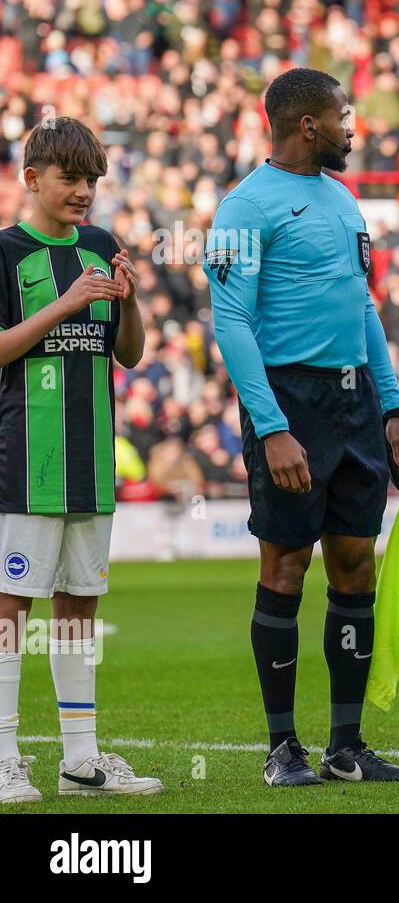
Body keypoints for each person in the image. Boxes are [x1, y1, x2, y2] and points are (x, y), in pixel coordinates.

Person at [206, 68, 399, 787]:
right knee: (287, 566)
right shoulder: (245, 206)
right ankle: (280, 748)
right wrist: (270, 426)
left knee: (357, 564)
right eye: (344, 116)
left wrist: (392, 409)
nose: (353, 128)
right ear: (308, 125)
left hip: (355, 402)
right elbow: (230, 319)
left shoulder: (346, 200)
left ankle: (347, 747)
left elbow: (364, 309)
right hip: (288, 401)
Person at [0, 117, 161, 802]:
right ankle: (4, 755)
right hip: (25, 462)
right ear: (32, 178)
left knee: (79, 607)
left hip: (91, 459)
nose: (84, 192)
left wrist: (128, 304)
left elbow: (129, 353)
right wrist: (65, 306)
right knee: (11, 610)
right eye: (70, 178)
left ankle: (81, 759)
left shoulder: (101, 246)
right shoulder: (6, 252)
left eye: (92, 179)